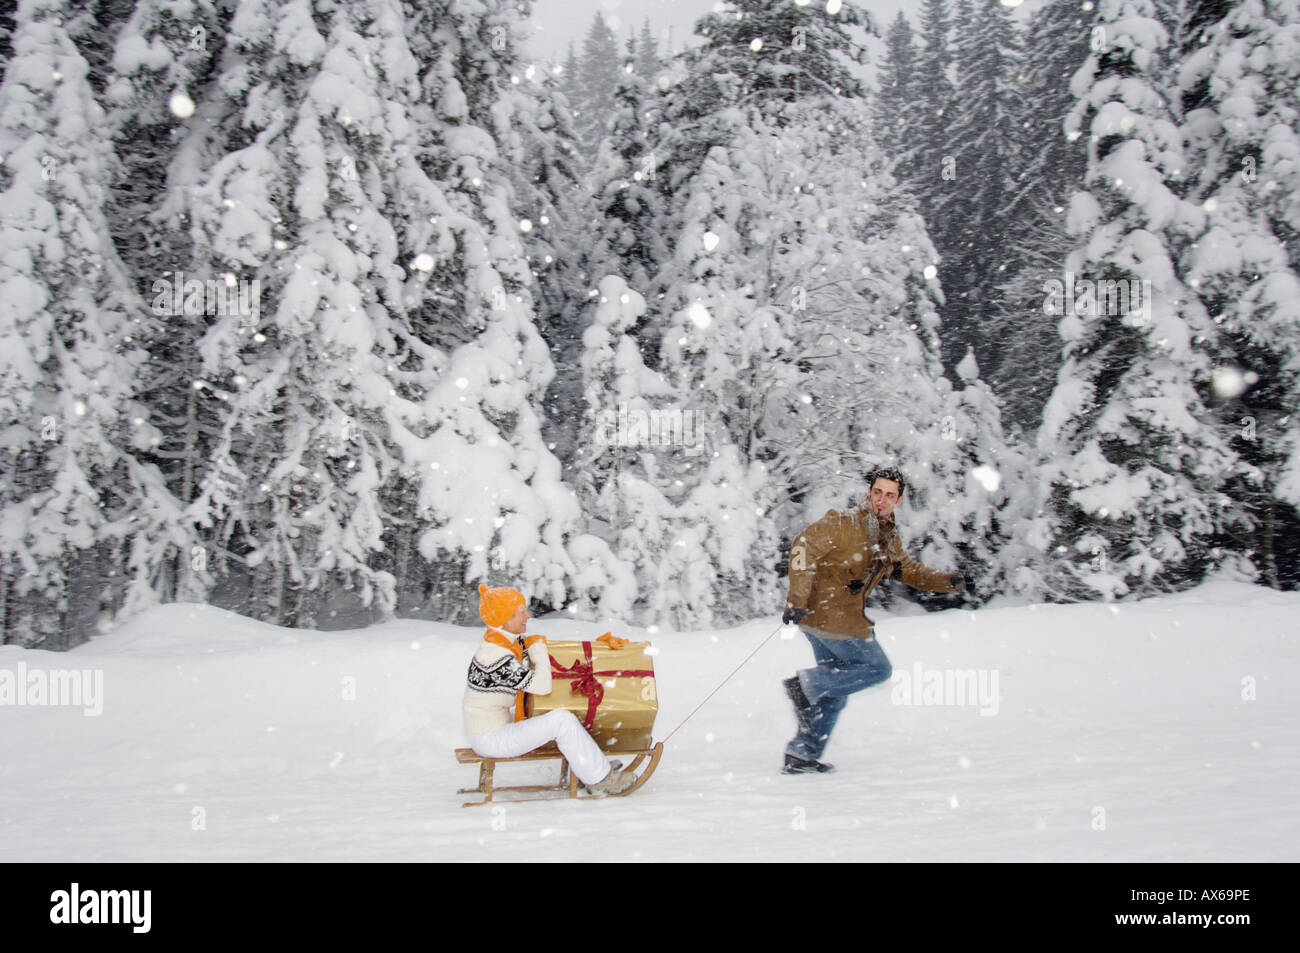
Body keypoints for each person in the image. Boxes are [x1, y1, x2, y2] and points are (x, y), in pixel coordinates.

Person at [780, 466, 966, 775]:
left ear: (899, 500)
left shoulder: (887, 537)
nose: (881, 500)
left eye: (889, 495)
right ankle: (804, 685)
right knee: (877, 669)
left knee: (835, 687)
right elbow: (802, 547)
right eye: (877, 492)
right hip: (831, 617)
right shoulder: (843, 524)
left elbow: (909, 572)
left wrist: (950, 582)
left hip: (824, 621)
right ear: (869, 493)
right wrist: (797, 598)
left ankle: (802, 753)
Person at [463, 583, 636, 794]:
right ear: (505, 619)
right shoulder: (497, 657)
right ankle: (600, 779)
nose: (528, 616)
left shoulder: (501, 644)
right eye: (521, 612)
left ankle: (590, 766)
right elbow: (542, 686)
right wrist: (538, 650)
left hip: (491, 732)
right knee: (561, 720)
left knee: (560, 716)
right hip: (491, 739)